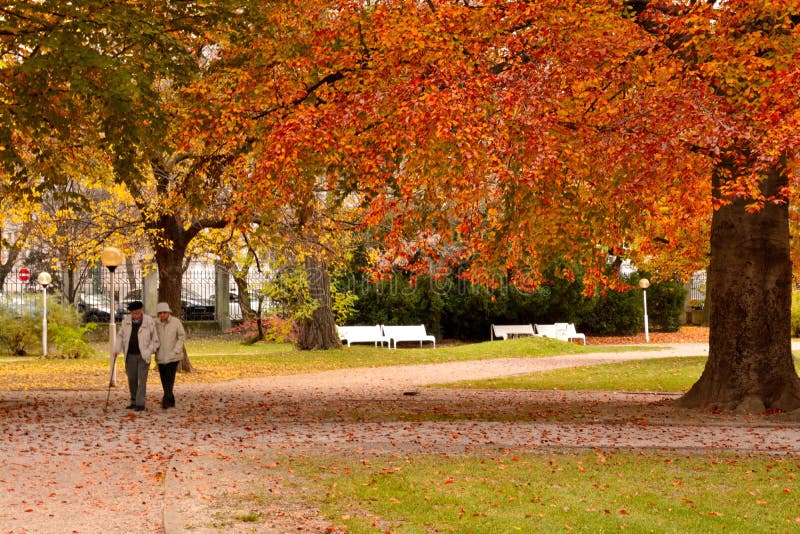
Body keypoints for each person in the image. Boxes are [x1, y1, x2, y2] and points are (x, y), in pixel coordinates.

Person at [114, 301, 159, 411]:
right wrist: (116, 349)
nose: (136, 315)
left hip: (143, 355)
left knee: (142, 379)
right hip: (130, 355)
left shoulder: (149, 321)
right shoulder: (126, 321)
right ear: (130, 313)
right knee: (132, 379)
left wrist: (149, 351)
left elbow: (155, 340)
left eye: (138, 313)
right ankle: (133, 401)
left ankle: (140, 403)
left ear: (142, 310)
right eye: (134, 313)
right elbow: (120, 336)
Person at [154, 302, 186, 409]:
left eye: (164, 313)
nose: (162, 315)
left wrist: (176, 350)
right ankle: (171, 398)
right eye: (160, 313)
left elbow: (181, 336)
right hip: (160, 355)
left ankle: (166, 400)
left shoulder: (176, 322)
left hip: (173, 356)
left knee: (170, 378)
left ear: (168, 313)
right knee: (163, 379)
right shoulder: (155, 323)